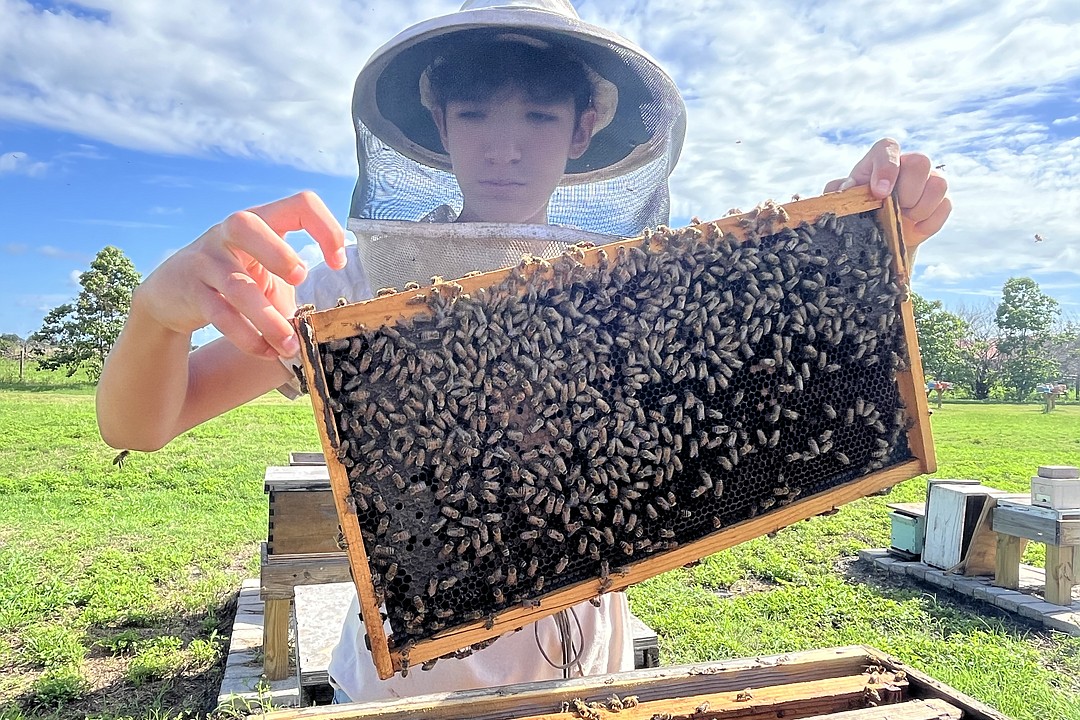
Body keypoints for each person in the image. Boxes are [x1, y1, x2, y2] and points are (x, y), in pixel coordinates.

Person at [96, 0, 951, 704]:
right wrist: (157, 314)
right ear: (439, 123)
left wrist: (858, 247)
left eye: (539, 116)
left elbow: (771, 375)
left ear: (583, 129)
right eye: (475, 114)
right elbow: (143, 424)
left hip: (590, 685)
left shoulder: (633, 288)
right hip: (403, 696)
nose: (504, 146)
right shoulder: (355, 287)